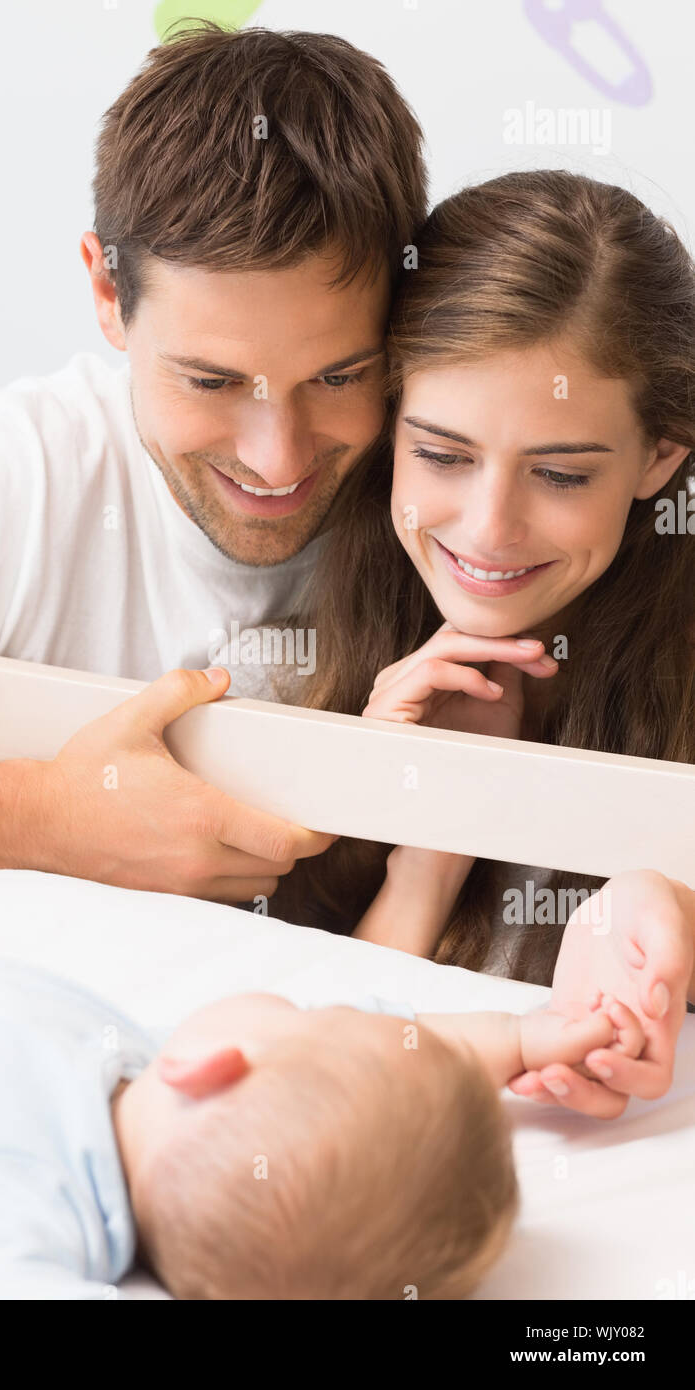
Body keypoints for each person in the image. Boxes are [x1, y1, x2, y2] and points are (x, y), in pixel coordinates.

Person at [0, 24, 426, 899]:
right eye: (212, 381)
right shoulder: (13, 478)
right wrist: (39, 819)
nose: (278, 457)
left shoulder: (467, 486)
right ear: (108, 295)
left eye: (340, 375)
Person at [275, 171, 695, 1117]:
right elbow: (309, 1081)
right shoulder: (305, 642)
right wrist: (422, 842)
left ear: (662, 457)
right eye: (441, 455)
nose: (490, 530)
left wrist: (669, 904)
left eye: (557, 473)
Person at [0, 918, 649, 1300]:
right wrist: (512, 1036)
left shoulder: (4, 1198)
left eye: (302, 1017)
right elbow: (381, 1055)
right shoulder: (142, 1089)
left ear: (210, 1066)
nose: (315, 1004)